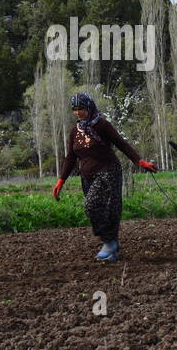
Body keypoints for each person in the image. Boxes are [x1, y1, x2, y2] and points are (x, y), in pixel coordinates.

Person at [51, 92, 157, 262]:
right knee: (103, 211)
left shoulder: (101, 125)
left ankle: (108, 242)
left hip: (108, 172)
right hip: (87, 177)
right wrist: (61, 180)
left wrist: (140, 161)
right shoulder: (74, 132)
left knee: (92, 206)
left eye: (81, 109)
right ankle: (112, 250)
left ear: (89, 107)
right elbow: (70, 157)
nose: (78, 112)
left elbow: (121, 144)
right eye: (75, 109)